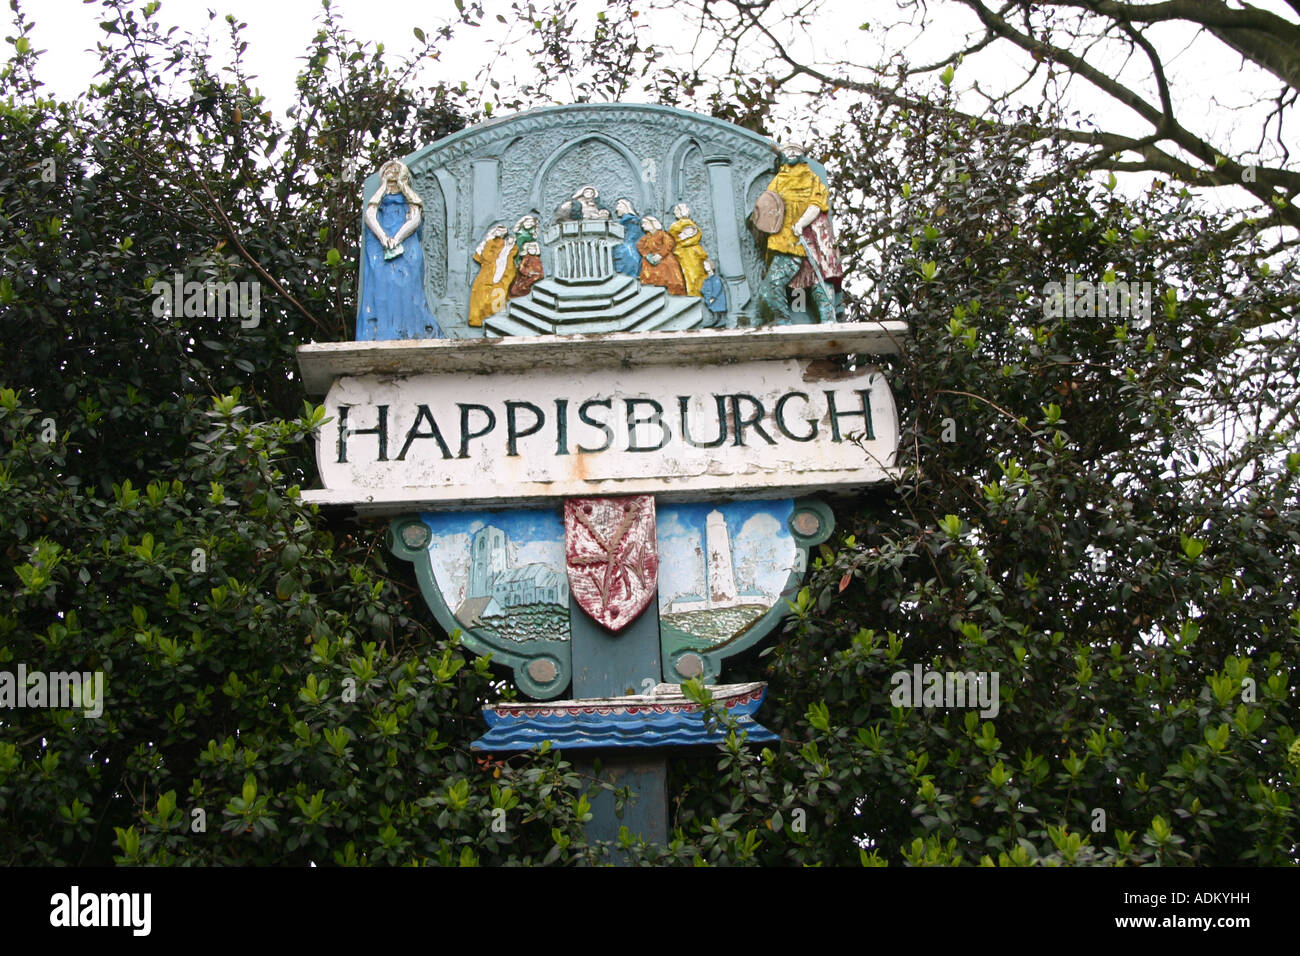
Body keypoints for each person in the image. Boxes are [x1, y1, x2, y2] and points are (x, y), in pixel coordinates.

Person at [358, 159, 444, 340]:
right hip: (383, 247)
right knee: (381, 284)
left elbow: (415, 219)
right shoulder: (379, 201)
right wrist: (383, 238)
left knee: (409, 284)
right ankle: (381, 329)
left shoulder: (410, 200)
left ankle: (411, 328)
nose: (392, 175)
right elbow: (370, 216)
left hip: (406, 247)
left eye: (396, 172)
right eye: (388, 172)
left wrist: (397, 238)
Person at [755, 152, 843, 324]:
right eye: (789, 149)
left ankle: (828, 320)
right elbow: (768, 205)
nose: (792, 153)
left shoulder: (811, 178)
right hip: (785, 240)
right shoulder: (779, 179)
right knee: (769, 289)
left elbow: (816, 205)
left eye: (796, 149)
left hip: (810, 240)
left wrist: (802, 223)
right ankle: (783, 323)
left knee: (819, 282)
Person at [468, 224, 517, 327]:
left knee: (498, 294)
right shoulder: (489, 242)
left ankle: (496, 319)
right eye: (498, 231)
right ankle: (478, 319)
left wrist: (507, 248)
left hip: (502, 273)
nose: (499, 233)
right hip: (488, 273)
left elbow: (509, 259)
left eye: (502, 231)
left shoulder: (507, 245)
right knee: (480, 295)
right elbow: (482, 256)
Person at [668, 203, 710, 297]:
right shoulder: (677, 226)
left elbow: (693, 232)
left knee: (697, 276)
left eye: (678, 211)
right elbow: (673, 235)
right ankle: (691, 294)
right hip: (683, 254)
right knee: (687, 276)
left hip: (692, 255)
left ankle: (697, 294)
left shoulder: (687, 225)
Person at [637, 217, 686, 296]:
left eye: (645, 223)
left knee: (666, 270)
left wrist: (660, 255)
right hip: (651, 260)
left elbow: (669, 244)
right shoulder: (646, 237)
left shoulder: (663, 234)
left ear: (652, 224)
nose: (642, 226)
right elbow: (640, 246)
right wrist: (647, 255)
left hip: (664, 258)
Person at [611, 198, 644, 277]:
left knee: (627, 254)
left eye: (618, 209)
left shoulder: (629, 220)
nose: (616, 211)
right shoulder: (629, 220)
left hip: (630, 243)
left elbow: (632, 235)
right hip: (630, 242)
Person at [700, 259, 728, 327]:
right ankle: (715, 320)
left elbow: (717, 288)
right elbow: (705, 287)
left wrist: (713, 297)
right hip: (709, 298)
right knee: (712, 309)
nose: (704, 267)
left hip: (716, 299)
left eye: (706, 265)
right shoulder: (708, 279)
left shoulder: (716, 279)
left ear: (711, 266)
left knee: (716, 309)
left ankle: (719, 320)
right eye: (704, 265)